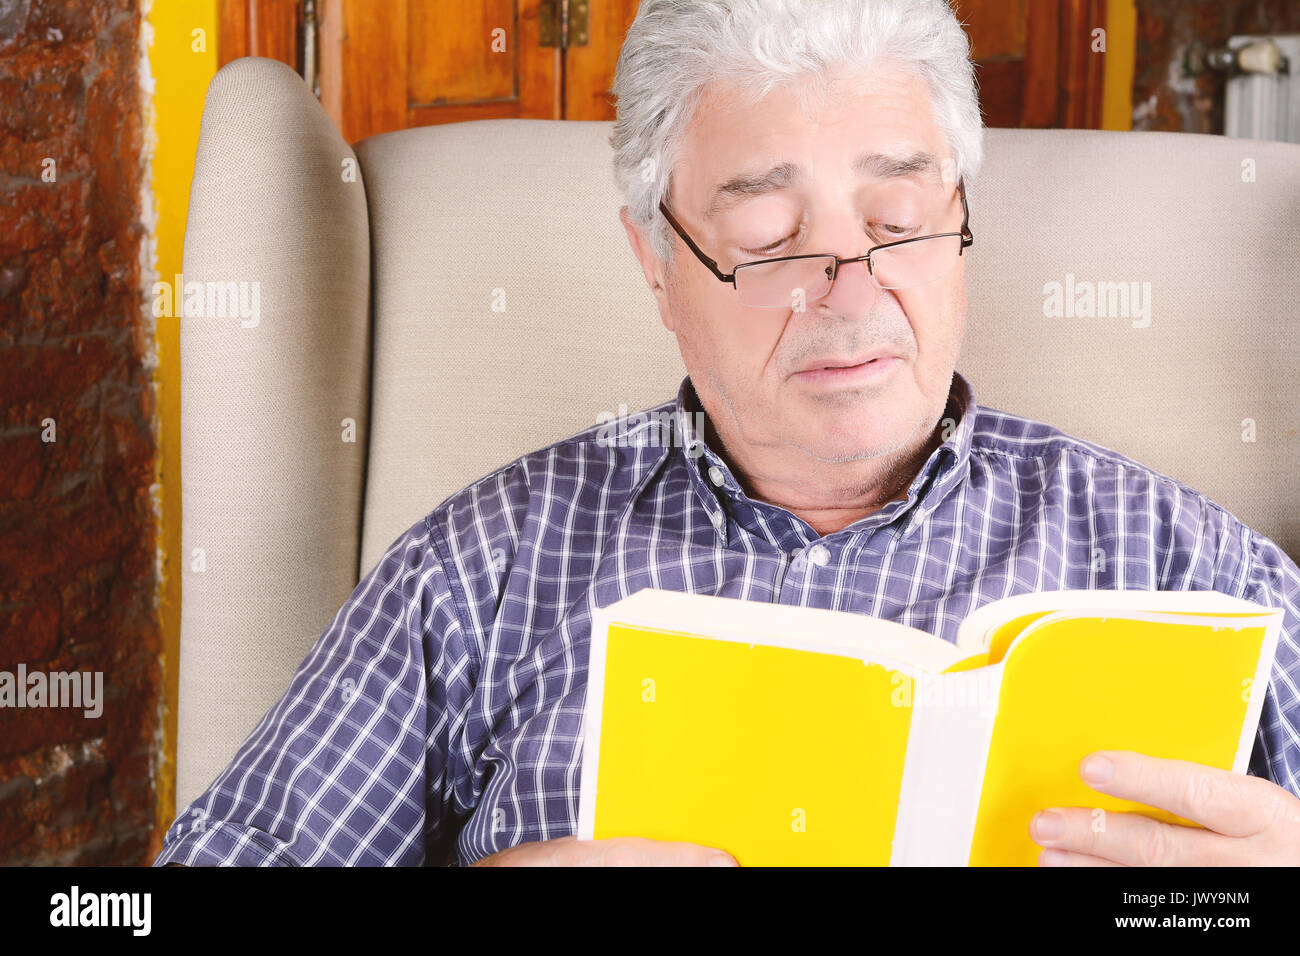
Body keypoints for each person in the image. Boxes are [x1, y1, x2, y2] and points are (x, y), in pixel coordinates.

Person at [156, 0, 1300, 867]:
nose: (850, 292)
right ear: (656, 260)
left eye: (898, 221)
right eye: (766, 235)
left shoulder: (1190, 566)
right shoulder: (480, 571)